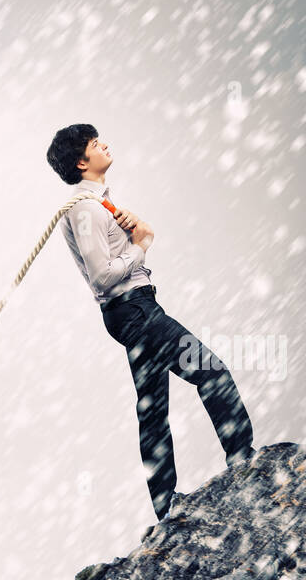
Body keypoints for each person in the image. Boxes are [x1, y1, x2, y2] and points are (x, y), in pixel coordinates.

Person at [46, 124, 254, 522]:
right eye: (94, 143)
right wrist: (142, 244)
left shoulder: (95, 204)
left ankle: (165, 508)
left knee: (152, 410)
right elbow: (102, 276)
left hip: (133, 311)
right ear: (81, 161)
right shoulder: (86, 209)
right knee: (212, 372)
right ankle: (243, 462)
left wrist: (132, 235)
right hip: (134, 310)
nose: (104, 144)